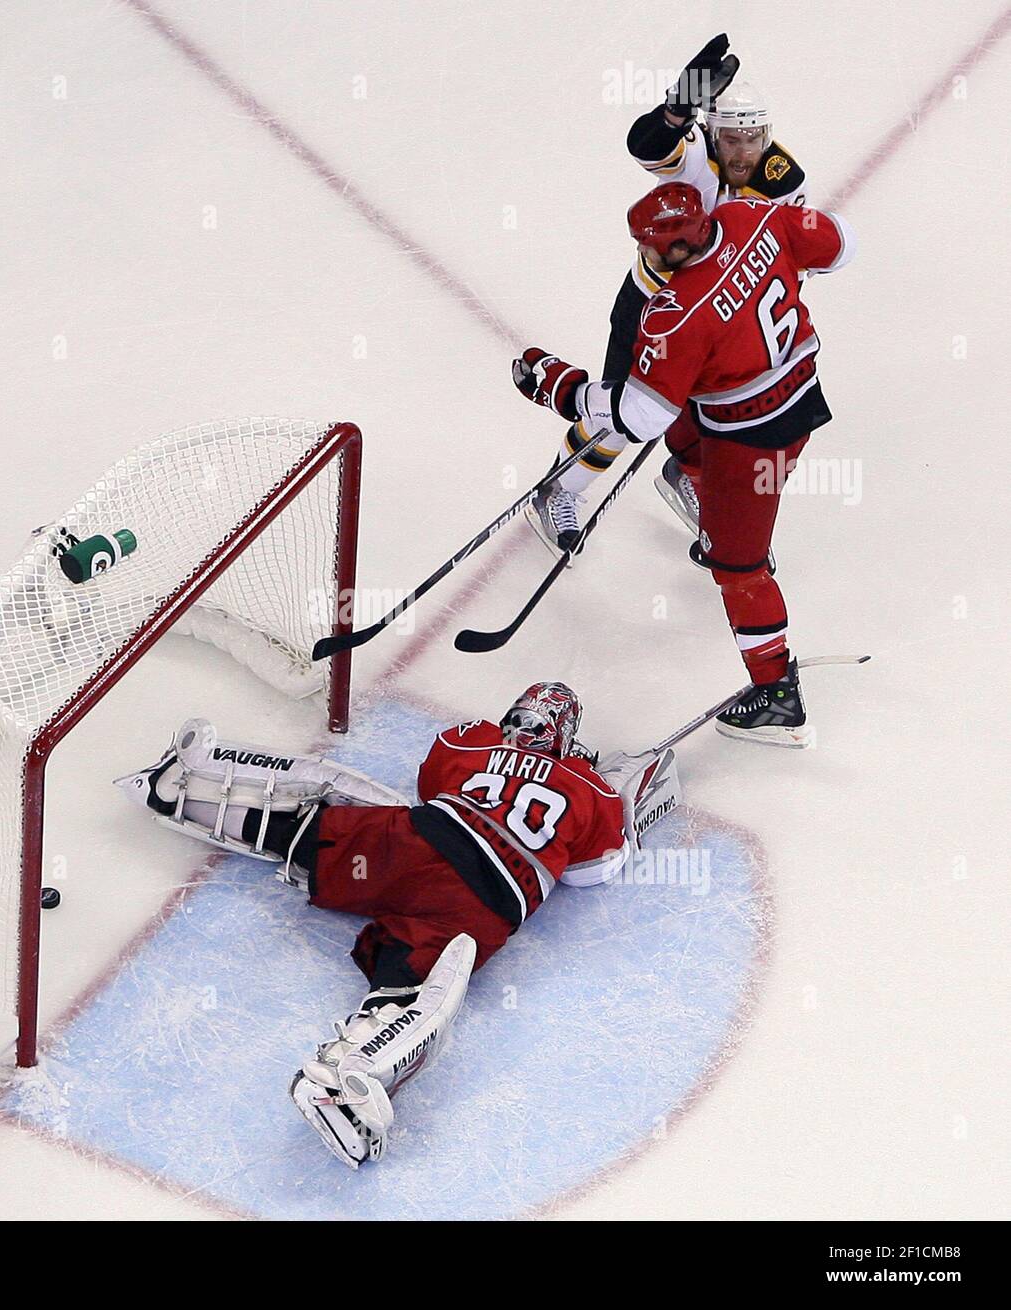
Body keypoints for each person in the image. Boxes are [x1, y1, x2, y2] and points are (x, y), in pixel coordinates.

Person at [115, 682, 679, 1168]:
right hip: (481, 903)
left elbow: (429, 787)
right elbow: (592, 871)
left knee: (316, 832)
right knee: (408, 987)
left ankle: (181, 794)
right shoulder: (595, 791)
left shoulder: (472, 738)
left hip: (414, 846)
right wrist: (612, 789)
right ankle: (349, 1075)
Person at [513, 182, 855, 745]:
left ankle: (776, 696)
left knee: (739, 568)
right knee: (692, 412)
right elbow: (842, 245)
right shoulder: (752, 214)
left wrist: (558, 386)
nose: (642, 254)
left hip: (750, 442)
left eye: (648, 246)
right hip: (801, 400)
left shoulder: (673, 315)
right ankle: (693, 477)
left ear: (675, 248)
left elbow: (637, 418)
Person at [530, 33, 811, 556]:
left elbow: (794, 255)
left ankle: (683, 475)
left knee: (721, 413)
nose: (743, 151)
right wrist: (676, 112)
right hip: (654, 309)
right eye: (732, 138)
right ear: (713, 132)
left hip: (725, 319)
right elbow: (645, 145)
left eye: (753, 139)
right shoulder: (697, 156)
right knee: (623, 412)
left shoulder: (784, 179)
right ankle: (559, 489)